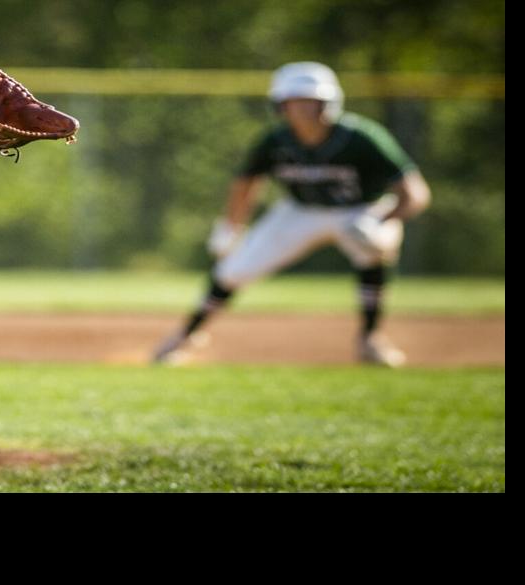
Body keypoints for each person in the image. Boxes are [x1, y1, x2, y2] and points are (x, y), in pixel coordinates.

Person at [152, 62, 432, 367]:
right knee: (233, 270)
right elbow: (245, 184)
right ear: (280, 105)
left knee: (375, 248)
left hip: (360, 211)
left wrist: (383, 221)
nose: (303, 110)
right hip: (300, 211)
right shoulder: (276, 140)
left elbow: (416, 194)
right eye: (294, 102)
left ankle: (371, 339)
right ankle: (185, 336)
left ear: (329, 104)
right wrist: (231, 228)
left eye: (311, 102)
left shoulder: (362, 137)